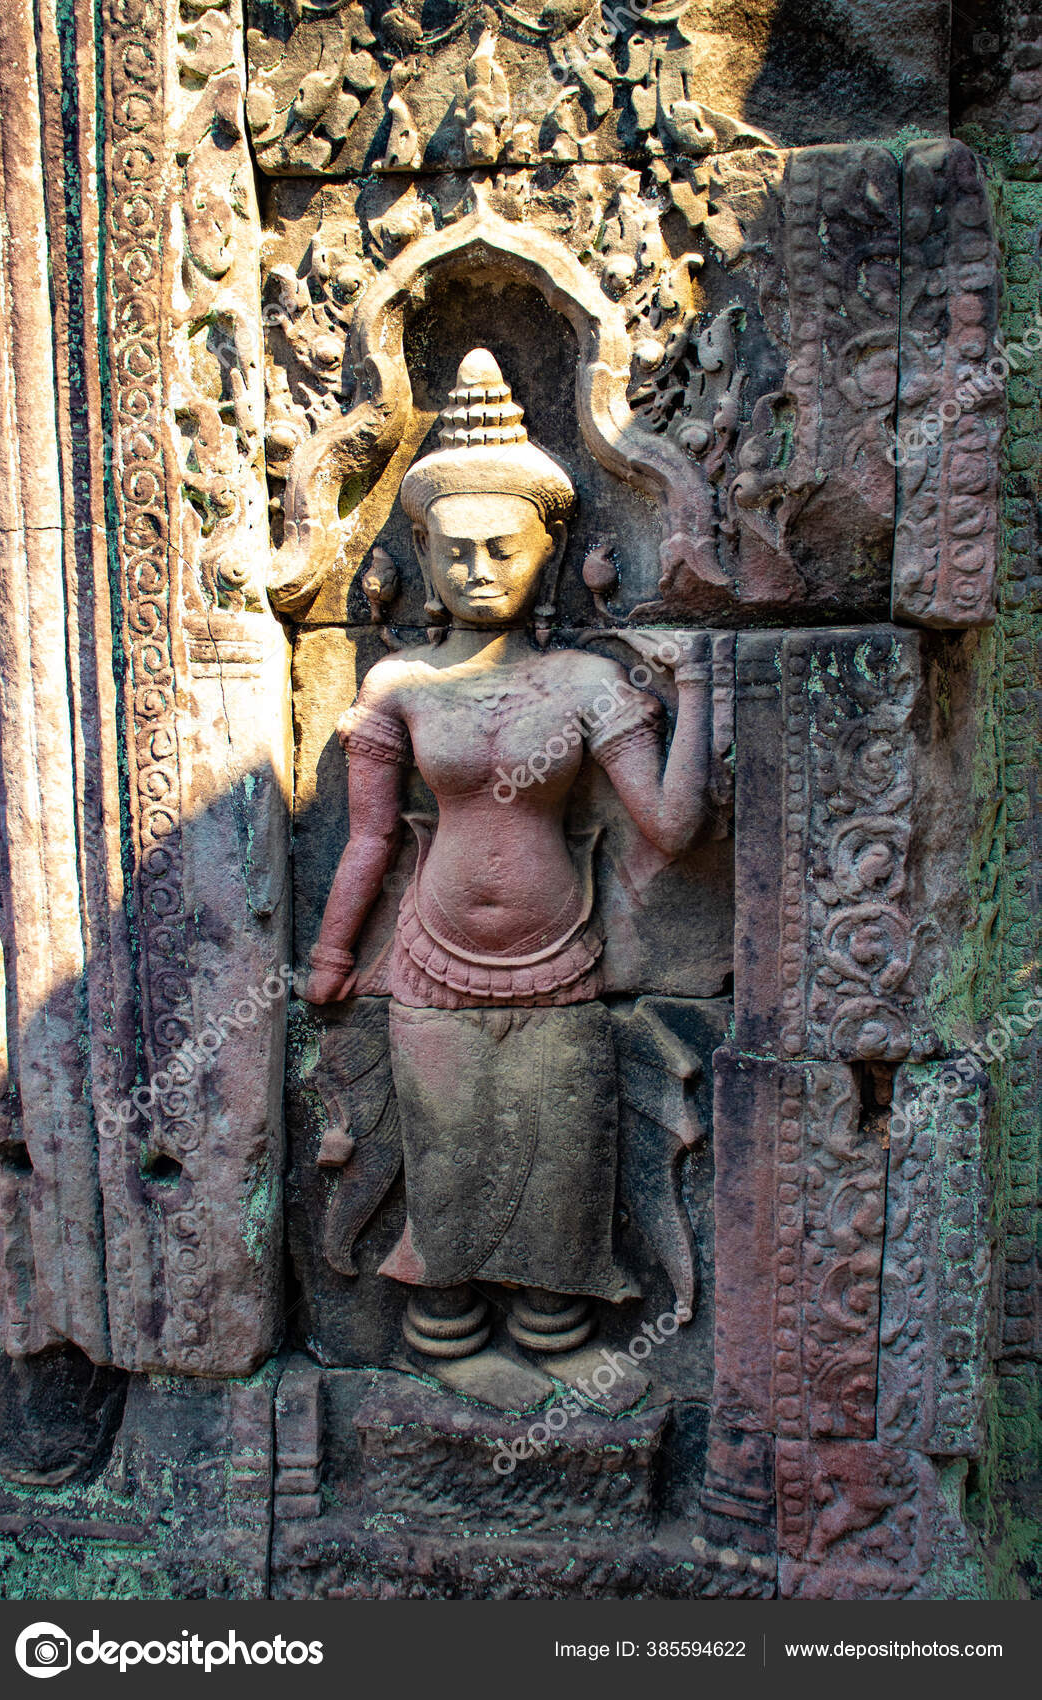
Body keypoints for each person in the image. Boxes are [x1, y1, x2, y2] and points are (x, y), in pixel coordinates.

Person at [305, 348, 712, 1401]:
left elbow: (668, 828)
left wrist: (697, 694)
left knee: (562, 1165)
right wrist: (331, 952)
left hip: (559, 965)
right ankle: (444, 1336)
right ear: (420, 555)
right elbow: (368, 840)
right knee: (445, 1163)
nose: (476, 571)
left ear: (550, 547)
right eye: (451, 553)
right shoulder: (398, 683)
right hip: (431, 967)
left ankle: (553, 1327)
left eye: (500, 548)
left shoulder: (585, 682)